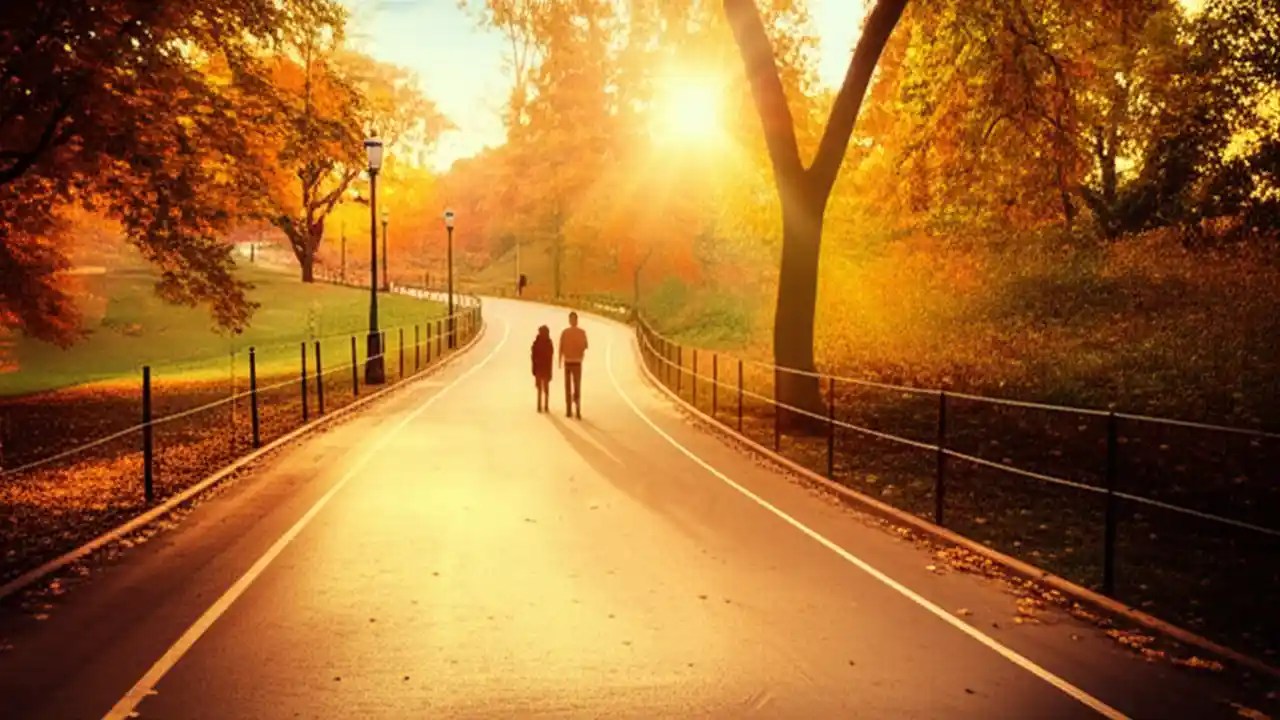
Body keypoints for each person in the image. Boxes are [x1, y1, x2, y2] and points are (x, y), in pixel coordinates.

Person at [558, 311, 588, 418]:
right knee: (577, 385)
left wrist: (560, 360)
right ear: (577, 321)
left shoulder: (565, 333)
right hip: (577, 362)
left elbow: (561, 347)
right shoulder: (582, 332)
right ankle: (578, 409)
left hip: (568, 362)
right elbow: (585, 346)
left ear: (570, 321)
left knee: (568, 387)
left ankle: (569, 410)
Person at [531, 325, 554, 413]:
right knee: (545, 388)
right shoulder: (548, 343)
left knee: (540, 388)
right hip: (545, 367)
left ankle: (540, 406)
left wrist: (533, 368)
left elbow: (533, 357)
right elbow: (550, 358)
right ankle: (545, 406)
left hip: (539, 367)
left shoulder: (536, 343)